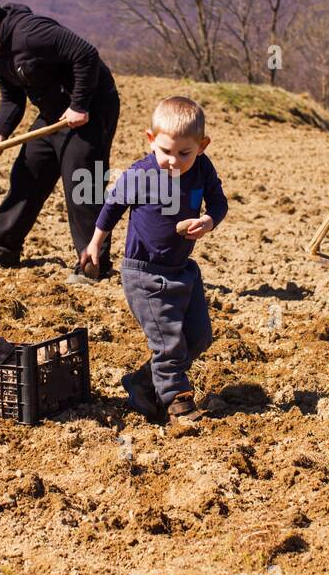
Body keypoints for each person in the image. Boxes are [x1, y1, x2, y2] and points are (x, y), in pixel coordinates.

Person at [81, 97, 228, 426]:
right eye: (165, 151)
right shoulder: (140, 173)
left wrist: (209, 220)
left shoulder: (202, 169)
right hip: (143, 274)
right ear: (150, 140)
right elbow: (111, 208)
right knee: (169, 342)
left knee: (199, 336)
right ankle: (178, 401)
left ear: (202, 146)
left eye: (184, 153)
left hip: (182, 270)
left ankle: (143, 383)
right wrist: (94, 245)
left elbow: (218, 201)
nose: (173, 161)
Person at [0, 0, 120, 282]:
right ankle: (1, 250)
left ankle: (94, 266)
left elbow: (86, 54)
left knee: (84, 186)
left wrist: (80, 105)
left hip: (91, 110)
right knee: (27, 174)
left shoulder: (31, 32)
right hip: (53, 114)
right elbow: (12, 98)